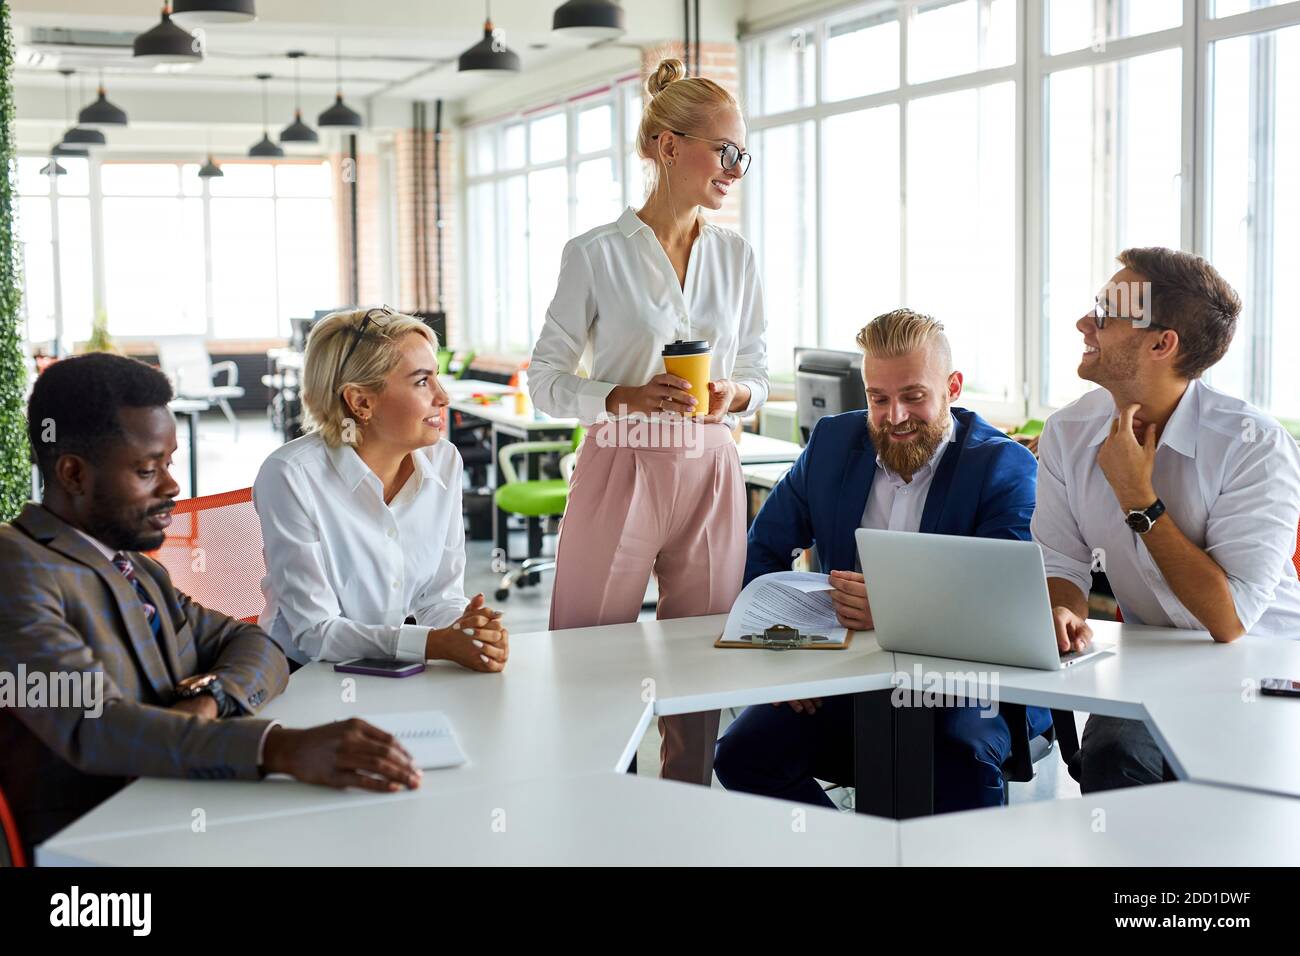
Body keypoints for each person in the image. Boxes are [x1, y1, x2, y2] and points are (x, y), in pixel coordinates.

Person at [0, 354, 422, 861]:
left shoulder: (140, 571)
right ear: (72, 473)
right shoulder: (17, 568)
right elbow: (95, 726)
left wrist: (212, 700)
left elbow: (253, 643)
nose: (172, 486)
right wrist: (277, 748)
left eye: (170, 463)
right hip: (107, 838)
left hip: (189, 801)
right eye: (147, 469)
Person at [529, 57, 768, 784]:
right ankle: (590, 802)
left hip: (711, 470)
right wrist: (620, 398)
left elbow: (759, 372)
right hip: (621, 462)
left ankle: (684, 810)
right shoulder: (596, 254)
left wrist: (734, 394)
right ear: (668, 147)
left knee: (700, 663)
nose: (735, 168)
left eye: (742, 155)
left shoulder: (736, 256)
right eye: (723, 151)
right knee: (589, 655)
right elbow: (543, 380)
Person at [714, 309, 1049, 812]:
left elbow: (1004, 605)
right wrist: (780, 658)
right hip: (848, 676)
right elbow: (760, 553)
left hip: (963, 685)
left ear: (952, 387)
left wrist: (897, 612)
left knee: (958, 756)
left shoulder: (1004, 467)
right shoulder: (831, 444)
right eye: (879, 398)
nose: (895, 416)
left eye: (914, 396)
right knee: (742, 755)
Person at [1033, 247, 1300, 791]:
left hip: (1264, 665)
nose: (1084, 323)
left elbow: (1228, 621)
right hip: (1152, 662)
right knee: (1113, 753)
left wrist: (1138, 497)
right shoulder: (1068, 432)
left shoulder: (1254, 445)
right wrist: (1063, 610)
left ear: (1162, 343)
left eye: (1106, 314)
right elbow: (1062, 561)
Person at [255, 307, 508, 670]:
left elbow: (439, 597)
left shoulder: (444, 460)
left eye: (436, 377)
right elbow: (315, 633)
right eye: (422, 381)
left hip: (393, 666)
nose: (443, 396)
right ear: (361, 402)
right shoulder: (290, 475)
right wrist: (434, 644)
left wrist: (468, 631)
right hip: (303, 675)